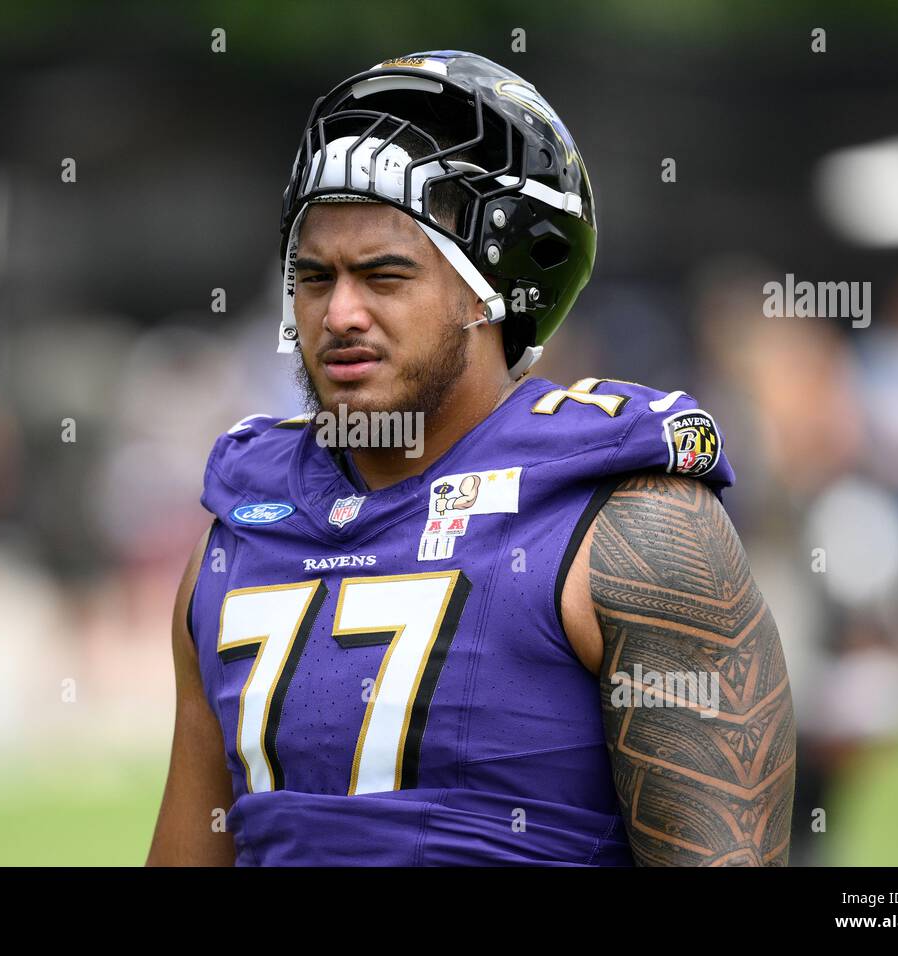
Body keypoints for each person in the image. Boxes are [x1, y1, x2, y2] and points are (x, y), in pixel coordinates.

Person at [147, 50, 795, 866]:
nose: (340, 312)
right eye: (314, 278)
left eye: (385, 275)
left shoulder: (629, 522)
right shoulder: (240, 530)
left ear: (491, 293)